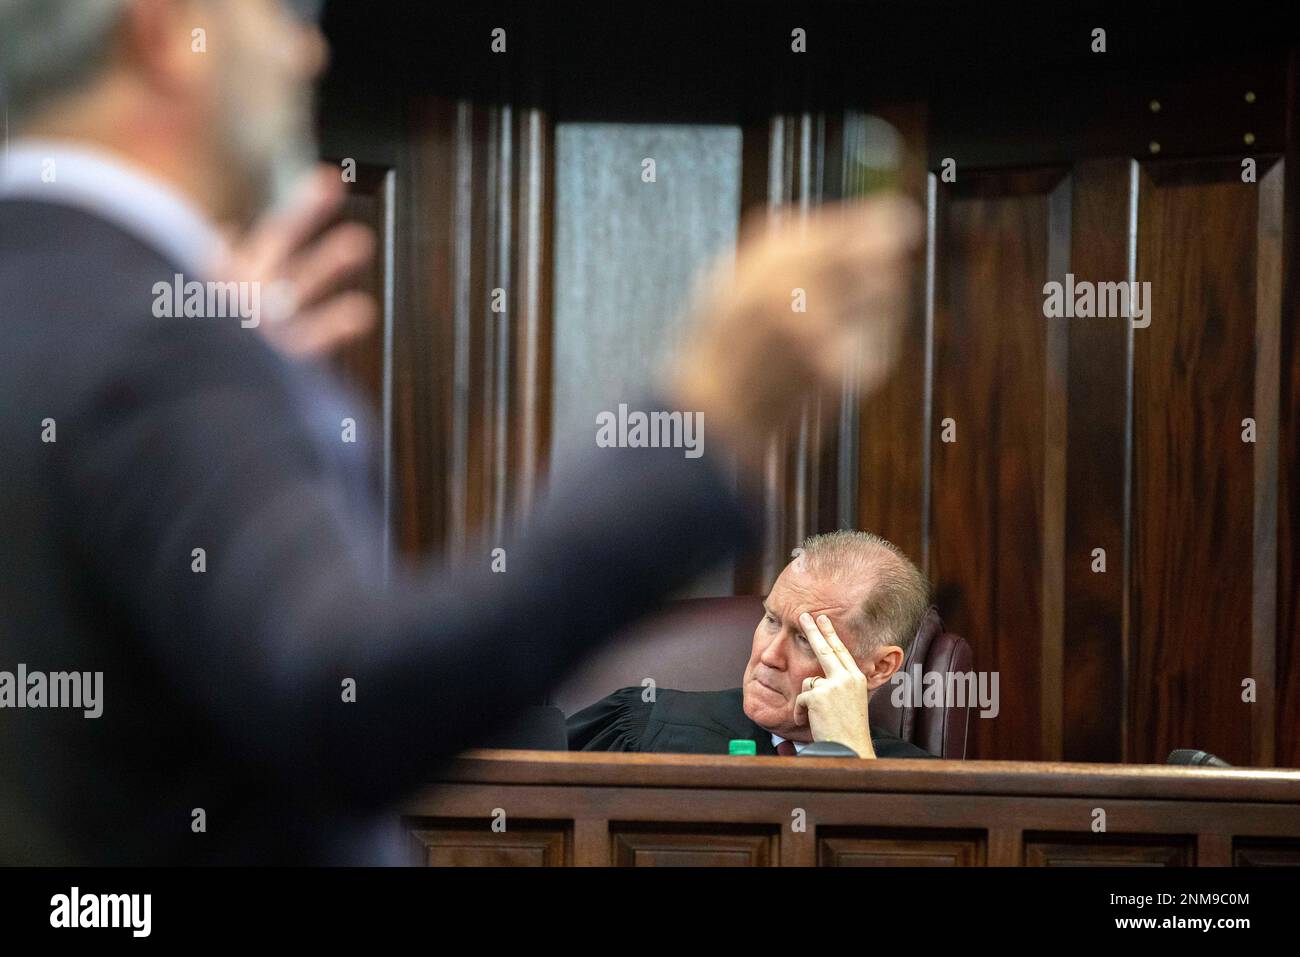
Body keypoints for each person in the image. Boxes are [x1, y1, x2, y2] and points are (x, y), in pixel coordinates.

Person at [0, 0, 921, 863]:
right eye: (281, 15)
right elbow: (351, 704)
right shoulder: (156, 344)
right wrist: (707, 417)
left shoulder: (94, 311)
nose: (309, 50)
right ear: (166, 32)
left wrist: (228, 391)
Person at [569, 531, 939, 759]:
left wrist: (851, 758)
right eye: (771, 620)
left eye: (805, 640)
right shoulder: (644, 723)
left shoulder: (924, 789)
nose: (769, 655)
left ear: (879, 668)